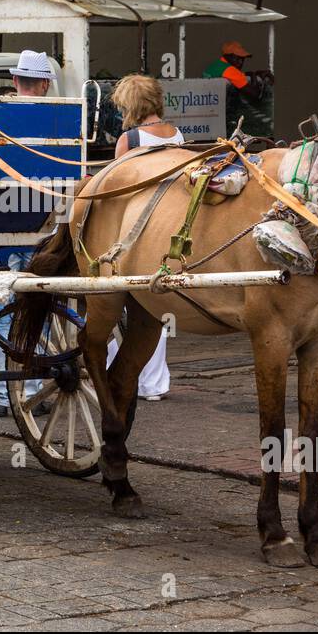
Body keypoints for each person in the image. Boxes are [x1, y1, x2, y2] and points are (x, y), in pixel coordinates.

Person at [0, 51, 57, 416]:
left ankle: (0, 394)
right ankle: (36, 388)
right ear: (46, 84)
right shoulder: (61, 117)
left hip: (2, 218)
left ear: (16, 81)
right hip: (47, 224)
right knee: (41, 310)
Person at [104, 74, 181, 400]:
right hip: (169, 224)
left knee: (115, 302)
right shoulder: (176, 134)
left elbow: (115, 187)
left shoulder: (130, 139)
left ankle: (114, 369)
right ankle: (153, 383)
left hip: (137, 227)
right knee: (157, 304)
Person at [203, 41, 274, 138]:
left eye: (242, 59)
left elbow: (236, 77)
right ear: (228, 56)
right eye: (237, 58)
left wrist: (249, 74)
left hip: (208, 116)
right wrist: (254, 76)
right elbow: (255, 94)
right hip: (225, 119)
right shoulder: (230, 71)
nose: (241, 62)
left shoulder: (214, 66)